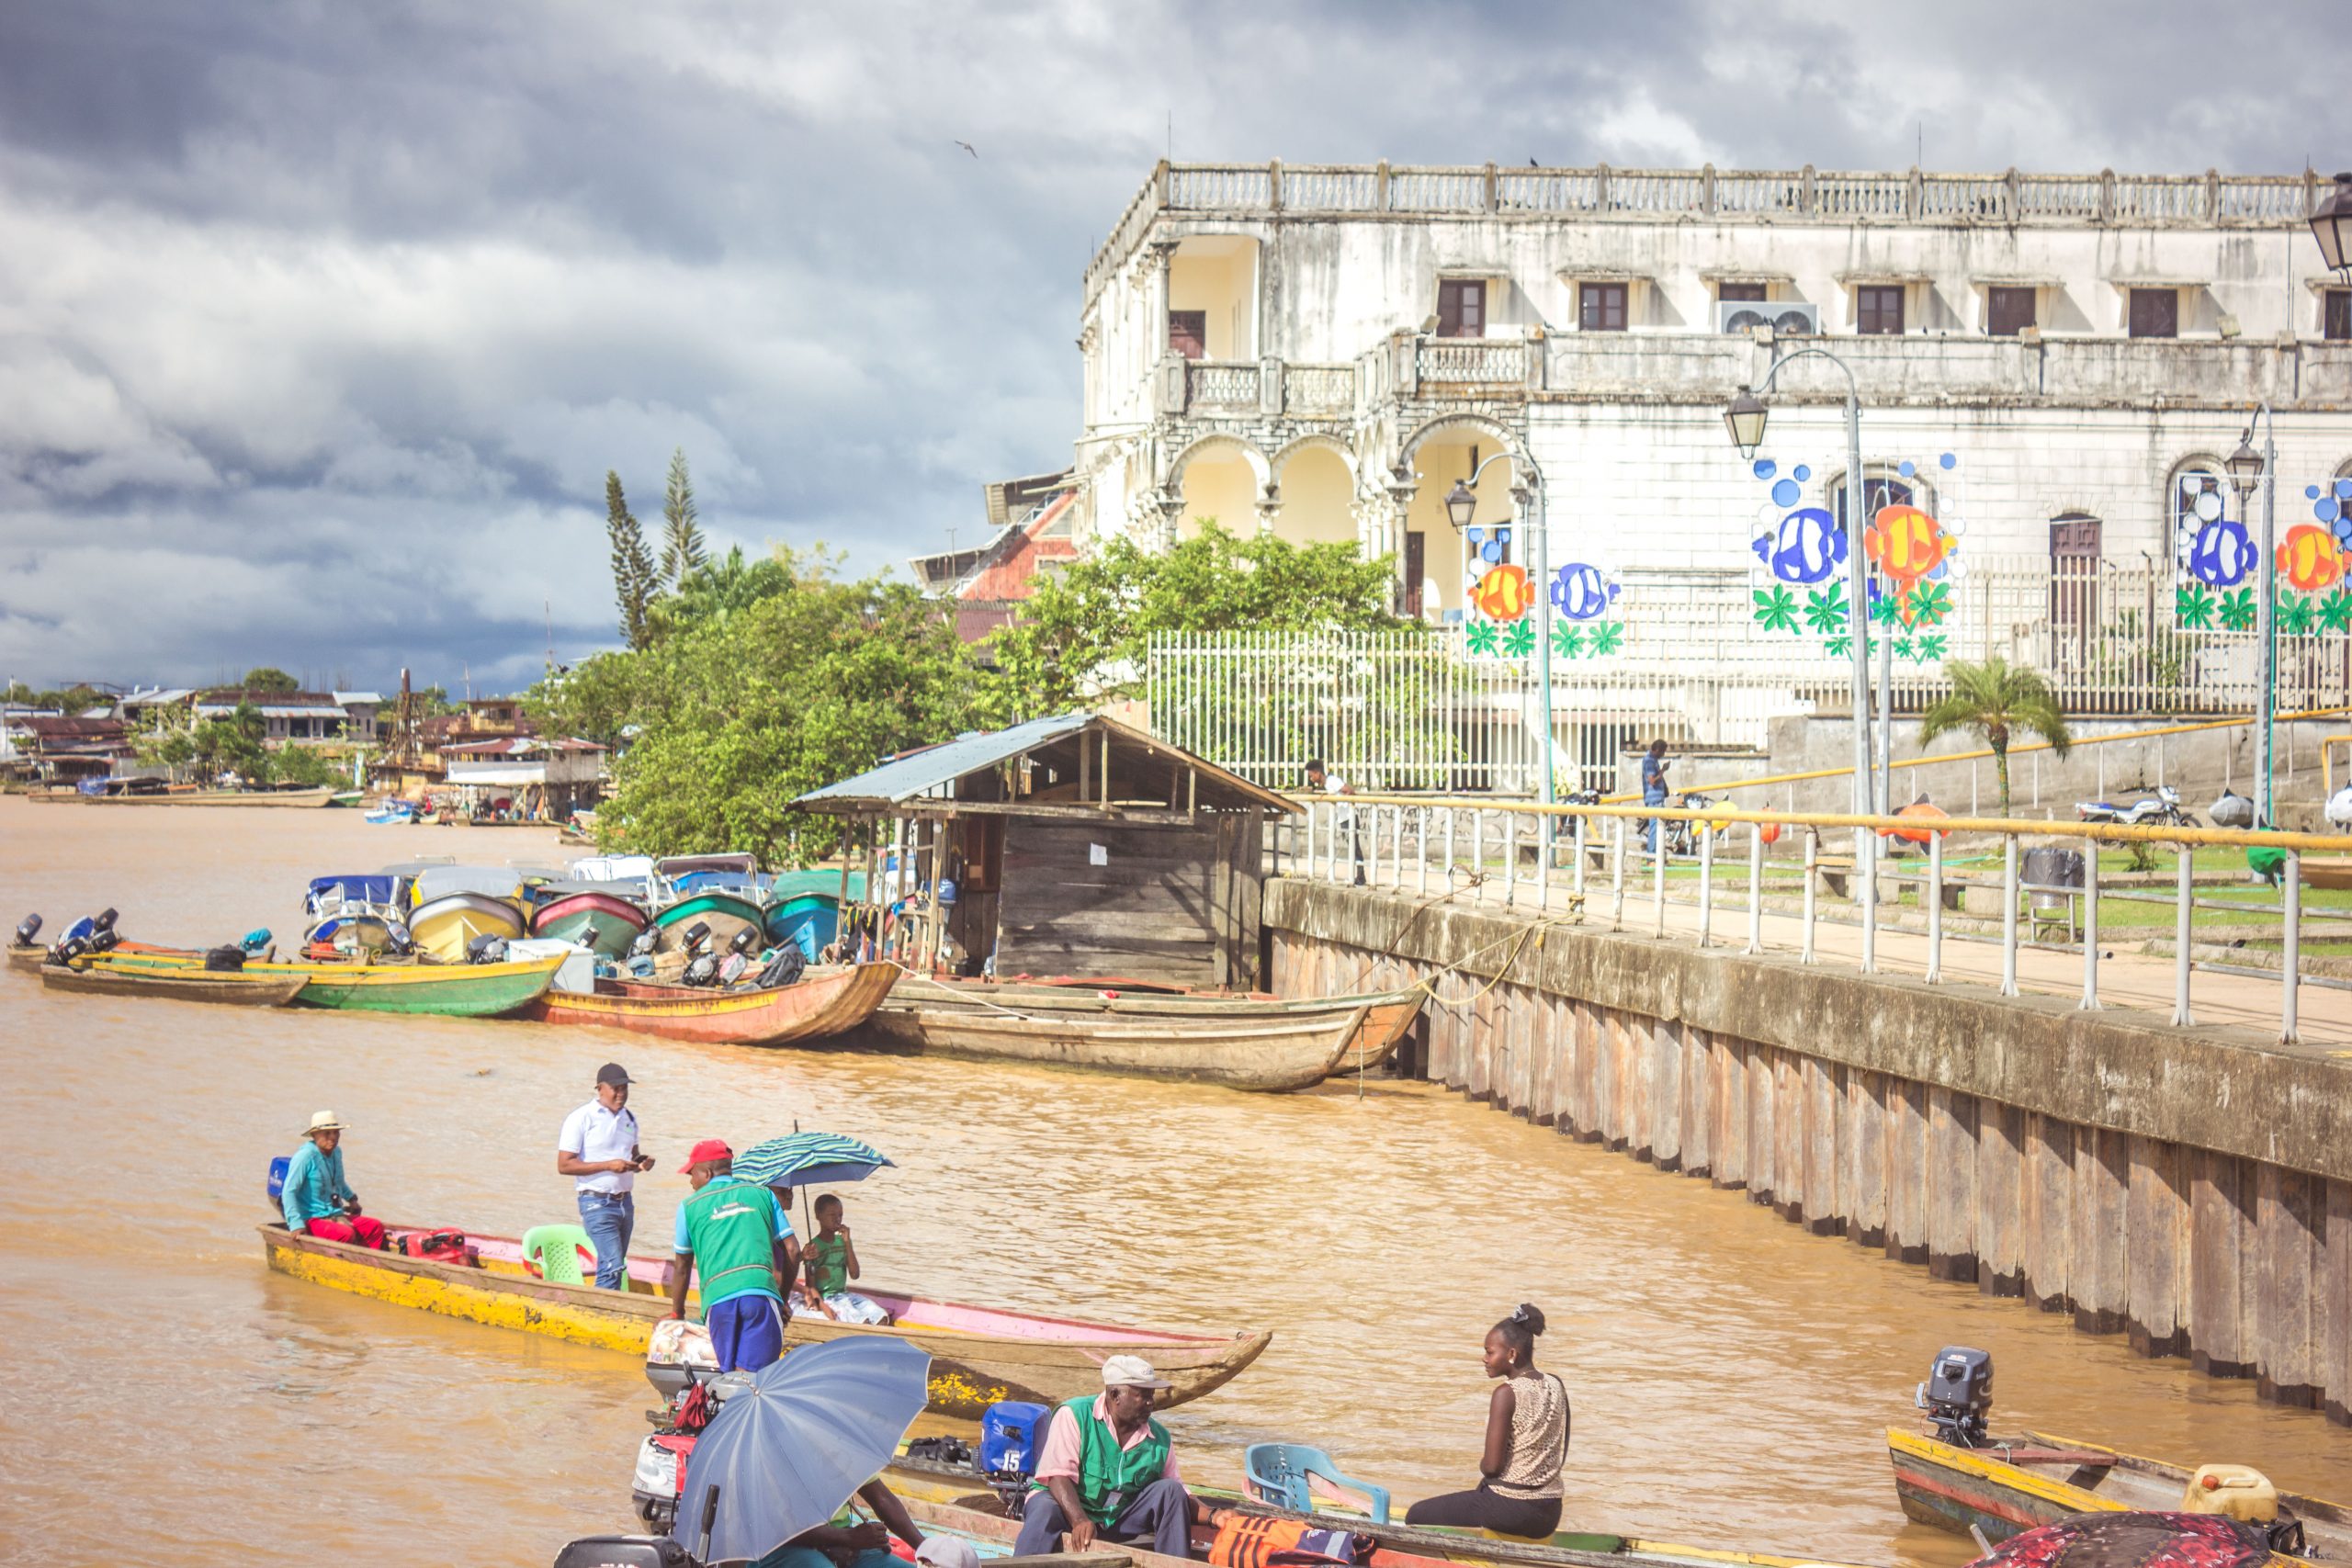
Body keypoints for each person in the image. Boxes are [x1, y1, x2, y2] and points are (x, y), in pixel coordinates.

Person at [1015, 1356, 1210, 1559]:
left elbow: (1180, 1495)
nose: (1151, 1402)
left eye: (1152, 1394)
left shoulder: (1160, 1438)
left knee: (1170, 1490)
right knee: (1045, 1509)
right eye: (1142, 1395)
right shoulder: (1074, 1414)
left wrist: (1214, 1516)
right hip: (1067, 1511)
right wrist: (1080, 1521)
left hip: (1116, 1517)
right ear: (1115, 1394)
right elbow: (1057, 1476)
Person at [1404, 1303, 1568, 1540]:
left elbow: (1492, 1467)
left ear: (1511, 1354)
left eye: (1490, 1352)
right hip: (1550, 1512)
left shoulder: (1506, 1393)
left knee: (1416, 1515)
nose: (1484, 1358)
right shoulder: (1555, 1384)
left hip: (1514, 1509)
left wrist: (1483, 1464)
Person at [668, 1140, 797, 1374]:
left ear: (706, 1173)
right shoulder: (763, 1194)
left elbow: (681, 1268)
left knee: (727, 1377)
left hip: (718, 1301)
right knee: (754, 1379)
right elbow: (792, 1250)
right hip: (759, 1295)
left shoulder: (688, 1206)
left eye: (691, 1173)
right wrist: (782, 1298)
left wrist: (677, 1313)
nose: (690, 1181)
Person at [558, 1062, 653, 1291]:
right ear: (600, 1088)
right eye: (616, 1088)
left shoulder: (629, 1118)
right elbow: (564, 1165)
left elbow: (632, 1156)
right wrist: (609, 1165)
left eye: (625, 1089)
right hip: (596, 1202)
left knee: (614, 1265)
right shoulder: (581, 1117)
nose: (621, 1094)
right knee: (612, 1266)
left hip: (625, 1203)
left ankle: (600, 1310)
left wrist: (641, 1163)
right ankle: (602, 1313)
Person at [750, 1477, 958, 1568]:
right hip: (781, 1546)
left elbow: (882, 1499)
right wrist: (847, 1538)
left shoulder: (835, 1444)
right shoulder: (769, 1452)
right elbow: (774, 1524)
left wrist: (926, 1548)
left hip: (845, 1544)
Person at [281, 1111, 387, 1249]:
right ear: (314, 1135)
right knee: (346, 1234)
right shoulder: (305, 1157)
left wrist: (352, 1199)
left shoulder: (336, 1153)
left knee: (374, 1227)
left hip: (336, 1214)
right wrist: (296, 1224)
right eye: (327, 1133)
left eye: (336, 1132)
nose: (333, 1137)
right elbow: (289, 1191)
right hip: (312, 1218)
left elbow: (339, 1182)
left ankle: (372, 1263)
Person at [797, 1192, 892, 1325]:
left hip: (844, 1294)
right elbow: (811, 1286)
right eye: (832, 1215)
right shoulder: (812, 1248)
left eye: (840, 1215)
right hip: (827, 1298)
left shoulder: (843, 1241)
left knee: (881, 1316)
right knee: (862, 1321)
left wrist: (847, 1243)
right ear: (819, 1216)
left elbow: (855, 1274)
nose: (837, 1219)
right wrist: (823, 1307)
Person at [1304, 758, 1363, 886]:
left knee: (1354, 847)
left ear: (1317, 772)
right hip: (1343, 818)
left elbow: (1349, 790)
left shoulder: (1332, 781)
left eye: (1311, 775)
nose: (1311, 779)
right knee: (1352, 847)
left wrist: (1343, 803)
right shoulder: (1327, 784)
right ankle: (1359, 876)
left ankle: (1360, 877)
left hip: (1349, 817)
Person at [1639, 740, 1670, 855]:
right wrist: (1663, 770)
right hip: (1654, 800)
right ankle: (1651, 856)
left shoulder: (1653, 761)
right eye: (1663, 752)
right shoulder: (1649, 761)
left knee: (1659, 829)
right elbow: (1652, 780)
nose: (1663, 755)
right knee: (1655, 829)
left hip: (1658, 799)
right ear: (1657, 750)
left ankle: (1657, 855)